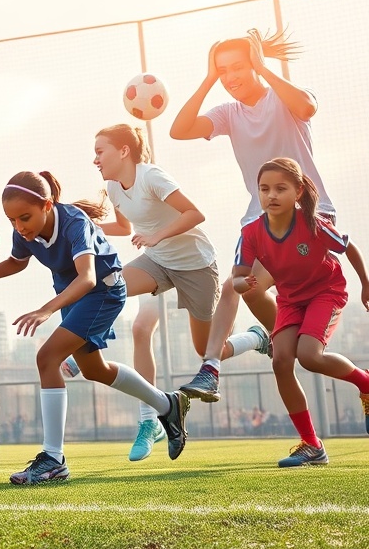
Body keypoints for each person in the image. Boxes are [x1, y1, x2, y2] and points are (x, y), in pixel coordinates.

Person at [0, 171, 190, 485]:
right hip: (74, 296)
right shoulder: (25, 229)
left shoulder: (73, 222)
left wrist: (46, 309)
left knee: (47, 358)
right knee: (95, 369)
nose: (19, 226)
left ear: (47, 205)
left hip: (103, 291)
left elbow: (87, 278)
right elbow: (18, 261)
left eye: (25, 218)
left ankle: (54, 459)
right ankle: (168, 405)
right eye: (12, 220)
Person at [170, 29, 334, 401]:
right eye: (223, 70)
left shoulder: (283, 98)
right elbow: (179, 131)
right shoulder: (228, 114)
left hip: (308, 214)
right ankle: (261, 344)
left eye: (238, 67)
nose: (230, 77)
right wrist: (208, 79)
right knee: (242, 291)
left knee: (237, 287)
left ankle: (218, 364)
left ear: (256, 63)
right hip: (261, 219)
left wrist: (264, 66)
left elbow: (307, 107)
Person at [89, 123, 268, 461]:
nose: (95, 160)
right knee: (107, 287)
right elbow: (124, 227)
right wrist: (90, 225)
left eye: (100, 151)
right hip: (157, 262)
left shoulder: (152, 177)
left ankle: (256, 338)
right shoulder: (113, 187)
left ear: (123, 151)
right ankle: (89, 353)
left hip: (196, 266)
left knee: (206, 348)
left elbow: (195, 213)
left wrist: (158, 236)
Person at [232, 158, 369, 467]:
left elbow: (349, 247)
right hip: (291, 300)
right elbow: (238, 275)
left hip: (326, 293)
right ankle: (312, 445)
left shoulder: (313, 224)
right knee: (281, 361)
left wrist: (366, 284)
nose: (271, 196)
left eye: (281, 188)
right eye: (264, 189)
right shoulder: (251, 232)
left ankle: (366, 383)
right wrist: (243, 284)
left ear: (298, 192)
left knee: (309, 355)